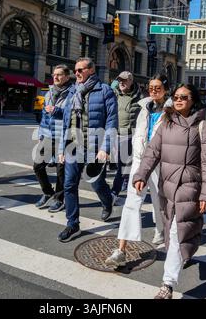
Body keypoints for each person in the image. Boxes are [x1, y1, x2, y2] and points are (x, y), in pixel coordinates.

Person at [131, 84, 206, 299]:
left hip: (189, 186)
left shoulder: (203, 126)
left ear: (193, 100)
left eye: (184, 97)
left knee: (177, 233)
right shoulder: (165, 123)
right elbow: (152, 152)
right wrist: (141, 174)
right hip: (166, 187)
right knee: (174, 230)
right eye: (176, 96)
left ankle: (167, 285)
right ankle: (183, 255)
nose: (178, 100)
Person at [105, 74, 172, 269]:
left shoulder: (173, 111)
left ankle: (161, 232)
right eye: (151, 87)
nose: (153, 91)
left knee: (161, 203)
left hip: (161, 164)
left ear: (166, 89)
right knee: (131, 202)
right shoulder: (144, 106)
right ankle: (121, 250)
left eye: (157, 87)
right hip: (140, 162)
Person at [57, 57, 118, 242]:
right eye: (75, 70)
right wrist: (61, 147)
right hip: (73, 146)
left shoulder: (105, 90)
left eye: (80, 70)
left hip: (95, 147)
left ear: (91, 70)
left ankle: (107, 202)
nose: (76, 73)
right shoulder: (73, 91)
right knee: (69, 184)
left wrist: (105, 148)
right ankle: (72, 224)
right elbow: (66, 122)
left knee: (96, 184)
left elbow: (111, 121)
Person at [34, 64, 73, 212]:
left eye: (59, 74)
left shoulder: (72, 93)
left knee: (60, 171)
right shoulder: (49, 92)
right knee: (37, 166)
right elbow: (44, 116)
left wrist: (57, 111)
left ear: (67, 77)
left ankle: (59, 199)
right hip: (48, 135)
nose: (55, 77)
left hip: (63, 136)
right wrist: (40, 134)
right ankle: (47, 192)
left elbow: (73, 116)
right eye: (54, 75)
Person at [111, 71, 144, 198]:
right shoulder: (114, 95)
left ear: (131, 81)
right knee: (119, 164)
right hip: (114, 134)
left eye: (124, 80)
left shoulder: (140, 97)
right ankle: (125, 181)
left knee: (122, 164)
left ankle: (115, 190)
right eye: (120, 80)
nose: (121, 82)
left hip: (129, 136)